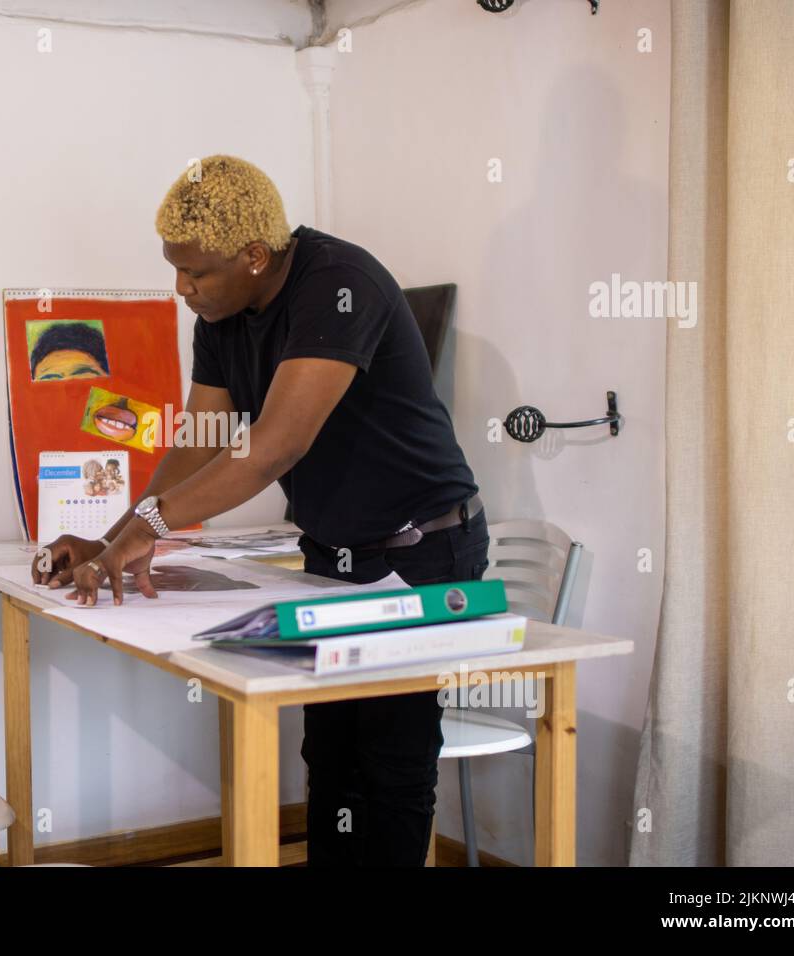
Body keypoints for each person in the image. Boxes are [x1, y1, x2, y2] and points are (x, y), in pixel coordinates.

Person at [30, 154, 488, 867]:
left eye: (195, 273)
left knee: (392, 762)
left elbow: (273, 447)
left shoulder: (341, 285)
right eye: (175, 269)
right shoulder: (221, 313)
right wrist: (108, 539)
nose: (181, 288)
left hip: (422, 550)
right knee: (329, 759)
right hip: (334, 552)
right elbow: (200, 443)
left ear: (253, 256)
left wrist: (151, 526)